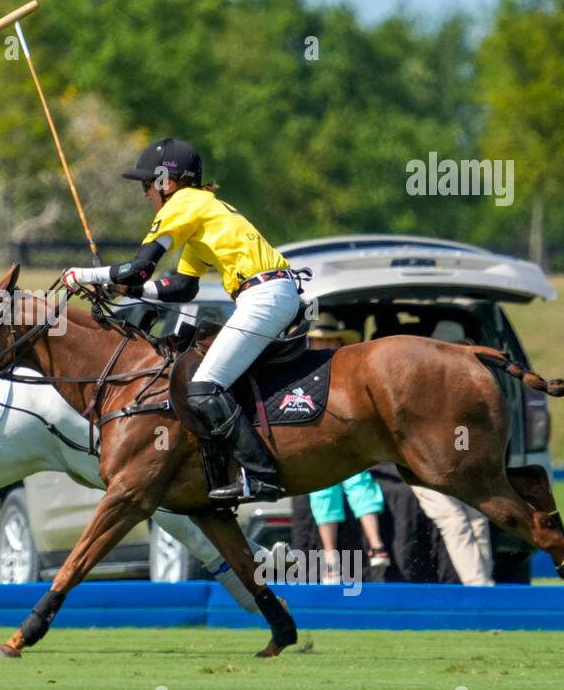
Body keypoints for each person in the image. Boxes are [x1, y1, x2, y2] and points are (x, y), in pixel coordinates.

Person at [61, 137, 303, 502]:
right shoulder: (201, 209)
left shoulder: (184, 203)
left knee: (204, 386)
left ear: (167, 182)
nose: (146, 194)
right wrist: (132, 292)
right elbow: (182, 286)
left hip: (264, 297)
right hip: (268, 293)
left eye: (148, 184)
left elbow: (141, 267)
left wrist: (86, 275)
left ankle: (261, 474)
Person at [303, 313, 391, 581]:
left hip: (349, 443)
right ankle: (331, 558)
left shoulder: (352, 371)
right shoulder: (302, 373)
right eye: (319, 340)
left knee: (359, 481)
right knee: (323, 488)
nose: (325, 344)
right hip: (317, 443)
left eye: (330, 339)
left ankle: (376, 547)